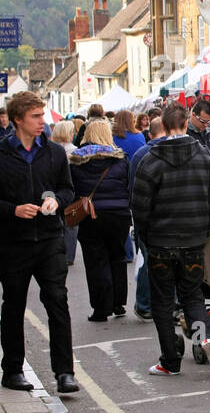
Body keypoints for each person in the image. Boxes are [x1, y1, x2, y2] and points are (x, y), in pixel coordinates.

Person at [131, 103, 210, 375]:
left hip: (161, 240)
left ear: (163, 125)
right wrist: (206, 228)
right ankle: (205, 337)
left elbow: (140, 206)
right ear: (185, 124)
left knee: (162, 301)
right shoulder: (204, 157)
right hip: (194, 238)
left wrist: (145, 237)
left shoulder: (150, 160)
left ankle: (170, 361)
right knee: (192, 294)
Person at [0, 92, 79, 394]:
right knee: (13, 304)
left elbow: (68, 190)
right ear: (17, 119)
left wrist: (56, 201)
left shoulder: (55, 153)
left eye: (42, 115)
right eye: (35, 116)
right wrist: (13, 210)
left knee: (57, 301)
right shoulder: (2, 153)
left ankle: (64, 373)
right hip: (13, 242)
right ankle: (12, 370)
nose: (41, 122)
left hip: (48, 239)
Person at [70, 119, 131, 322]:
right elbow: (128, 187)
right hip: (119, 214)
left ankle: (101, 308)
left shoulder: (76, 161)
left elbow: (72, 190)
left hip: (90, 215)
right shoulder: (121, 159)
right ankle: (118, 303)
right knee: (117, 256)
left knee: (96, 260)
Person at [128, 116, 164, 319]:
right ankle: (173, 303)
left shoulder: (140, 154)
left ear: (149, 134)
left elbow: (133, 189)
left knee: (146, 260)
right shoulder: (179, 151)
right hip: (172, 216)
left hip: (147, 216)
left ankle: (145, 304)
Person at [50, 121, 79, 265]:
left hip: (52, 191)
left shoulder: (50, 151)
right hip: (70, 191)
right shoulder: (76, 152)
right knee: (71, 224)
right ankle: (68, 255)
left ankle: (55, 252)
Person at [187, 98, 210, 167]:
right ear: (193, 115)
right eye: (203, 121)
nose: (206, 125)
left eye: (208, 122)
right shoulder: (185, 134)